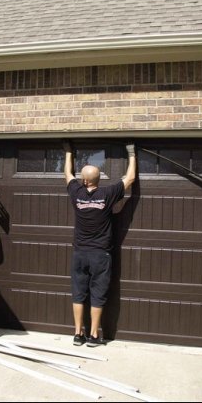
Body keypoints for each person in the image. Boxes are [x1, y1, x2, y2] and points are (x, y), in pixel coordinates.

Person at [63, 140, 137, 347]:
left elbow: (67, 175)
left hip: (80, 253)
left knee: (78, 293)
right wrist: (131, 153)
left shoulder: (76, 193)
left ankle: (78, 334)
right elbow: (130, 178)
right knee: (98, 293)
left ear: (84, 182)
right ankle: (94, 335)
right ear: (96, 180)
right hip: (100, 255)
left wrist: (68, 152)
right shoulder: (107, 194)